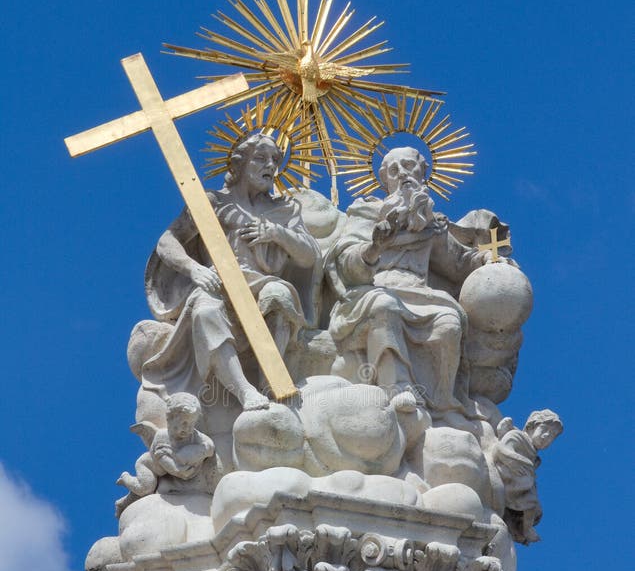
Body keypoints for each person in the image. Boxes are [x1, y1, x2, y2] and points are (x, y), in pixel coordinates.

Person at [143, 134, 320, 410]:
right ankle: (244, 391)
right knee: (205, 311)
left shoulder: (284, 210)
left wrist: (278, 234)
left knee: (279, 294)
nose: (271, 165)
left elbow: (309, 255)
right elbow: (168, 241)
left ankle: (271, 380)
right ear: (239, 164)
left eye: (275, 160)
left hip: (261, 281)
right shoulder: (212, 203)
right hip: (218, 282)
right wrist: (194, 269)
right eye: (261, 158)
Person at [326, 147, 492, 412]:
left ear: (422, 171)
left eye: (408, 166)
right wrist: (375, 247)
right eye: (394, 170)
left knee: (449, 321)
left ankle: (442, 404)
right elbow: (346, 264)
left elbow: (458, 262)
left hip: (419, 292)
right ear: (385, 179)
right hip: (373, 290)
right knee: (385, 306)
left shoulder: (431, 222)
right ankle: (397, 388)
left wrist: (487, 259)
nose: (403, 173)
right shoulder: (368, 212)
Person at [115, 392, 215, 515]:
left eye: (191, 424)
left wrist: (203, 451)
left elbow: (209, 445)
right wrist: (178, 471)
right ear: (170, 418)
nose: (188, 428)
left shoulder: (194, 435)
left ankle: (124, 502)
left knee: (140, 492)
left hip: (165, 470)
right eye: (184, 423)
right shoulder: (162, 437)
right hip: (149, 466)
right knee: (146, 488)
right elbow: (163, 459)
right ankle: (125, 478)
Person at [494, 409, 563, 543]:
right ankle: (525, 530)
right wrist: (519, 462)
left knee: (536, 510)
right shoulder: (517, 436)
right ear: (531, 427)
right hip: (507, 474)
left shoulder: (534, 455)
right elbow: (502, 449)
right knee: (530, 502)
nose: (546, 436)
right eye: (544, 429)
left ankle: (523, 527)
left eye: (551, 436)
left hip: (521, 480)